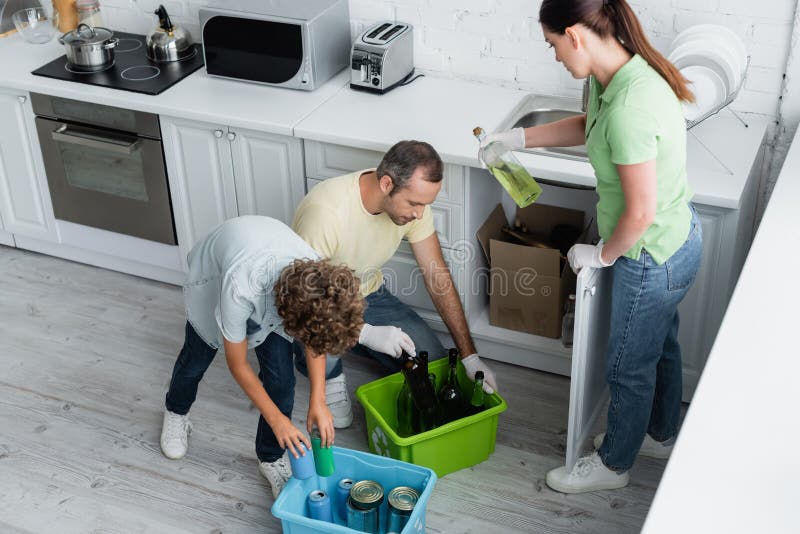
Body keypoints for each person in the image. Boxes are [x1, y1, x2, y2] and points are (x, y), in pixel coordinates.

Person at [483, 0, 703, 493]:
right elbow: (588, 126)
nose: (556, 57)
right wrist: (518, 137)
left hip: (647, 256)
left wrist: (600, 255)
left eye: (554, 45)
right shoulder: (621, 73)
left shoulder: (630, 107)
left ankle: (614, 464)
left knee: (627, 365)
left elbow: (639, 213)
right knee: (660, 347)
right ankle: (659, 434)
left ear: (575, 35)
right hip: (677, 241)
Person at [158, 216, 408, 498]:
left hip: (271, 267)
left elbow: (316, 339)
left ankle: (270, 457)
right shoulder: (240, 287)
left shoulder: (316, 279)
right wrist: (278, 420)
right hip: (219, 276)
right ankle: (176, 411)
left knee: (280, 382)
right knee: (196, 359)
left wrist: (318, 400)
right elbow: (237, 364)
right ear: (291, 324)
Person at [292, 140, 498, 428]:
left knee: (433, 369)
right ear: (387, 184)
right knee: (312, 337)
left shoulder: (414, 209)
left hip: (369, 295)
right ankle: (331, 368)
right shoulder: (327, 212)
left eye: (425, 205)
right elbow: (305, 298)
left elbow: (437, 276)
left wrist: (469, 355)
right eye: (414, 203)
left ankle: (352, 341)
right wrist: (363, 332)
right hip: (321, 302)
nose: (419, 214)